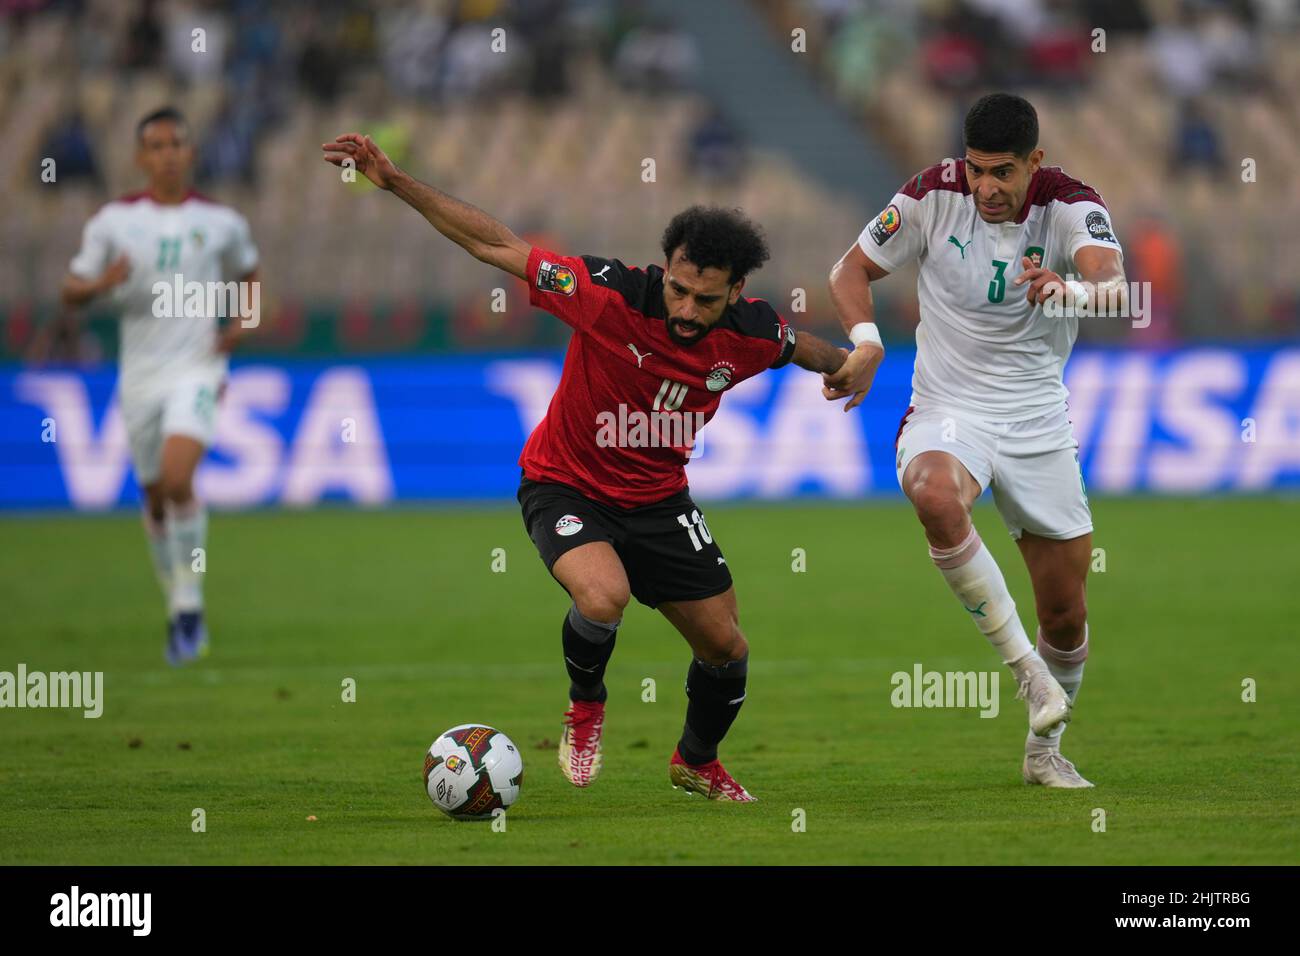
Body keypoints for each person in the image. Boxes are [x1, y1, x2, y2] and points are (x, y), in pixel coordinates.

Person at [322, 132, 848, 801]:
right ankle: (586, 706)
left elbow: (797, 346)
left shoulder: (748, 331)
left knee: (726, 648)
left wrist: (848, 365)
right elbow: (497, 244)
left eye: (705, 301)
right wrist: (394, 181)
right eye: (679, 291)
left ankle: (696, 761)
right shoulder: (604, 294)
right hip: (564, 482)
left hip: (660, 500)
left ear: (736, 292)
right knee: (603, 596)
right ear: (664, 269)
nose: (687, 311)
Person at [824, 93, 1128, 788]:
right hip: (948, 406)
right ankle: (1028, 676)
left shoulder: (1072, 203)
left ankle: (1044, 756)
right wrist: (867, 341)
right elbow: (849, 270)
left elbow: (1117, 286)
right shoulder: (931, 195)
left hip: (1036, 418)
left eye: (1002, 173)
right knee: (934, 493)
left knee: (1065, 608)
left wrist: (1071, 290)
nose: (986, 187)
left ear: (1034, 164)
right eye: (976, 170)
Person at [63, 107, 260, 665]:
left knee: (177, 479)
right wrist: (101, 283)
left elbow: (250, 273)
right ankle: (175, 602)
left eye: (177, 143)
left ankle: (191, 602)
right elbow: (70, 291)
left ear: (191, 153)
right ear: (140, 157)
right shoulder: (113, 222)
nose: (168, 153)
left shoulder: (222, 221)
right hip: (140, 377)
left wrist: (243, 322)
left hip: (198, 368)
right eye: (157, 145)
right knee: (153, 497)